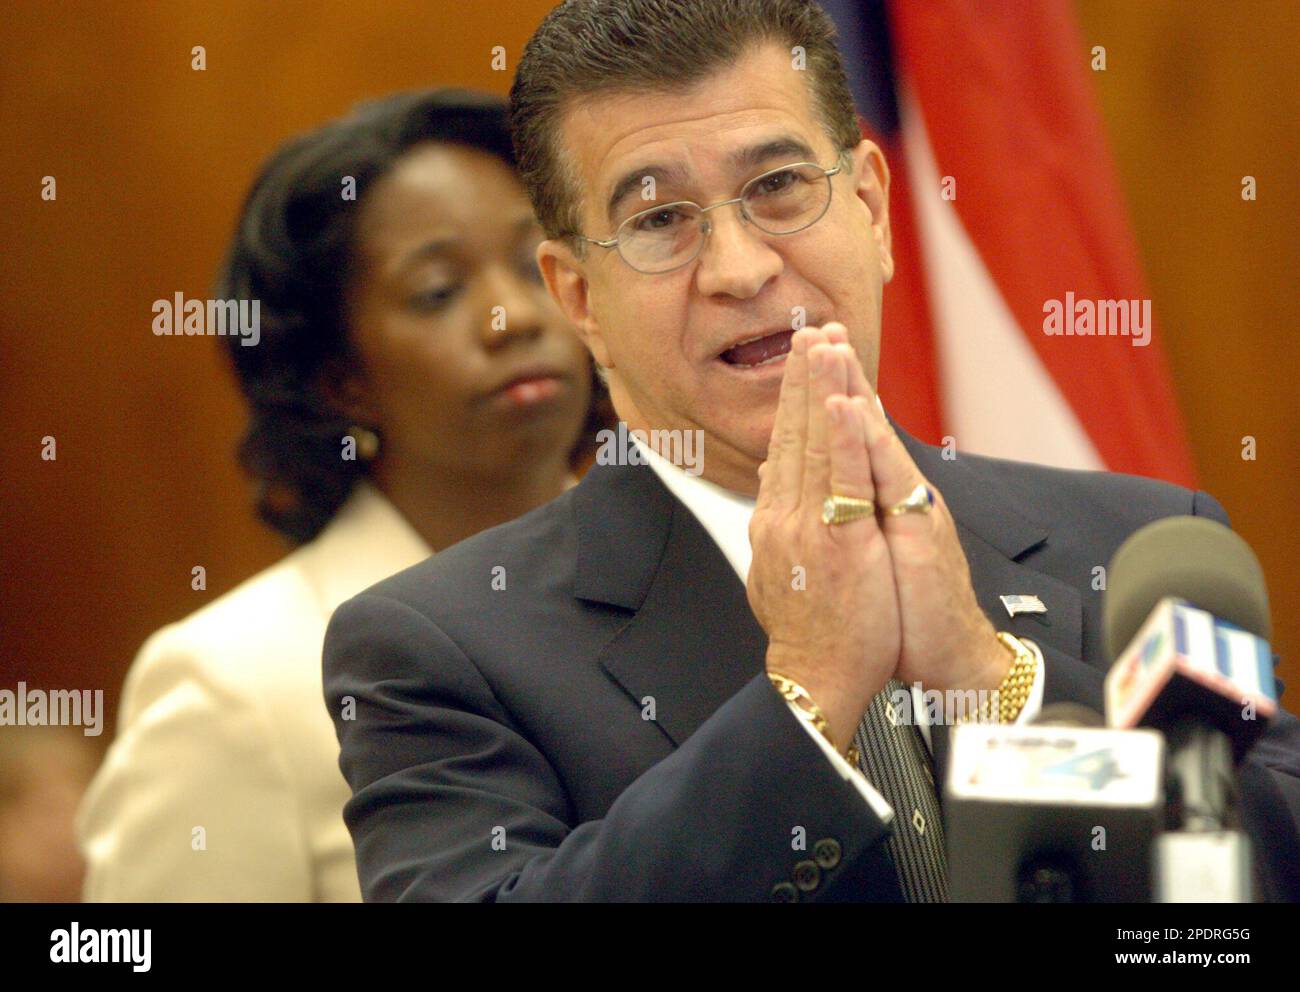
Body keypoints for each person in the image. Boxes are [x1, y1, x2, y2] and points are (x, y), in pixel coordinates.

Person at [323, 1, 1300, 902]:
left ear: (870, 208)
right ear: (578, 296)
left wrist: (988, 676)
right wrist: (807, 700)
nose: (741, 268)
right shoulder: (437, 649)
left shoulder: (1146, 543)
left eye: (779, 187)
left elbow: (1263, 854)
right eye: (659, 220)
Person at [76, 88, 603, 901]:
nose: (511, 318)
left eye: (531, 262)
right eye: (437, 291)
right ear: (343, 379)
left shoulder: (692, 567)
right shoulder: (235, 684)